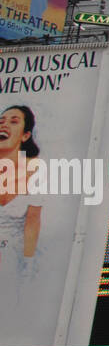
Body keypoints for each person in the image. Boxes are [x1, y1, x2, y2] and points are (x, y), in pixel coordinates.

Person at [0, 106, 41, 309]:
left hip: (12, 263)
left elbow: (32, 222)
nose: (4, 123)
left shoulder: (34, 171)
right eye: (2, 120)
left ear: (25, 135)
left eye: (13, 121)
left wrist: (28, 266)